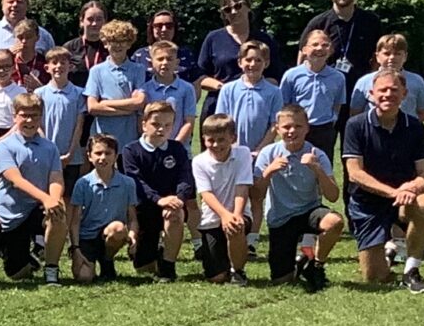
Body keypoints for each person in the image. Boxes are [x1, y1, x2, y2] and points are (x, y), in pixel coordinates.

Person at [339, 68, 424, 293]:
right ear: (371, 94)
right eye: (382, 90)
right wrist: (394, 192)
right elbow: (354, 173)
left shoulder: (415, 126)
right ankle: (389, 251)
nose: (388, 95)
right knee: (374, 277)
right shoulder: (355, 125)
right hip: (368, 202)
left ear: (404, 94)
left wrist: (412, 188)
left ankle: (411, 270)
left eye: (394, 90)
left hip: (404, 200)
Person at [252, 103, 343, 292]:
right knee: (282, 281)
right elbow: (256, 196)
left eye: (298, 126)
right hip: (280, 218)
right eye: (286, 127)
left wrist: (317, 169)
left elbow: (333, 196)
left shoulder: (316, 154)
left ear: (307, 128)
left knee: (334, 222)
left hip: (309, 211)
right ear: (277, 129)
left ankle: (316, 265)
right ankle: (300, 262)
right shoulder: (268, 154)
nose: (292, 131)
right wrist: (269, 171)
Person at [0, 92, 68, 286]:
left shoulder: (50, 148)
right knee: (18, 273)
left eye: (34, 116)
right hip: (13, 212)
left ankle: (51, 269)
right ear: (15, 116)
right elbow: (16, 180)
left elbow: (56, 178)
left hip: (38, 207)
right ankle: (29, 259)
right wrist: (46, 198)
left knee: (58, 214)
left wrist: (54, 199)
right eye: (24, 115)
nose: (29, 120)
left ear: (41, 117)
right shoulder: (4, 146)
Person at [123, 99, 195, 282]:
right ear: (144, 125)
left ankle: (168, 266)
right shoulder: (131, 150)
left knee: (175, 214)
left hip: (170, 205)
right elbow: (136, 182)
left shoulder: (177, 149)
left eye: (167, 125)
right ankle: (150, 251)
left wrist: (178, 198)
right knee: (144, 269)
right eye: (155, 124)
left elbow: (186, 178)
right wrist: (158, 199)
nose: (161, 129)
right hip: (144, 209)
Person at [190, 112, 252, 285]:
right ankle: (223, 263)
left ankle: (237, 271)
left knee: (235, 227)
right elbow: (206, 193)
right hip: (212, 218)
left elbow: (242, 186)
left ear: (233, 138)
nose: (216, 145)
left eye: (221, 140)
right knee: (216, 277)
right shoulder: (199, 161)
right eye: (211, 140)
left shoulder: (243, 154)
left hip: (239, 212)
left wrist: (236, 214)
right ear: (203, 139)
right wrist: (224, 215)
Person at [69, 134, 138, 284]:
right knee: (84, 277)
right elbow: (75, 221)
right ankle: (90, 263)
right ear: (89, 156)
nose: (103, 158)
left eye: (108, 153)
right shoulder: (82, 184)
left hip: (109, 233)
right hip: (87, 237)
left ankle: (107, 261)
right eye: (98, 153)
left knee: (118, 228)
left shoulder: (128, 183)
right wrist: (75, 248)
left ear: (116, 156)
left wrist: (132, 236)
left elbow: (132, 217)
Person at [300, 0, 381, 79]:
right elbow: (303, 56)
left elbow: (380, 55)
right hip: (327, 86)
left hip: (361, 86)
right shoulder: (318, 24)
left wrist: (372, 81)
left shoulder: (371, 21)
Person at [278, 29, 349, 158]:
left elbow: (337, 103)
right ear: (304, 50)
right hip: (297, 127)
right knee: (296, 162)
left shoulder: (338, 77)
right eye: (315, 44)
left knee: (323, 164)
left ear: (331, 50)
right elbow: (284, 103)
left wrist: (332, 119)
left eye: (325, 45)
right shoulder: (292, 75)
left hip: (324, 129)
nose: (320, 48)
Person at [85, 20, 148, 164]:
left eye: (122, 41)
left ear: (129, 44)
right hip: (102, 136)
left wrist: (105, 104)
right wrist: (128, 109)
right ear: (105, 43)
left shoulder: (138, 69)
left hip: (129, 136)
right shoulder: (96, 71)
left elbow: (139, 102)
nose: (117, 45)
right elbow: (92, 107)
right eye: (113, 41)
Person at [194, 0, 267, 102]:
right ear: (224, 15)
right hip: (219, 103)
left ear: (248, 7)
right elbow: (200, 76)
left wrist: (251, 88)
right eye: (227, 10)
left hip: (257, 101)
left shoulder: (264, 39)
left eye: (238, 6)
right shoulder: (213, 38)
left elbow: (275, 76)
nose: (233, 12)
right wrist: (225, 88)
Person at [213, 37, 281, 154]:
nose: (253, 64)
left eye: (258, 60)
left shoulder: (274, 92)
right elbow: (221, 122)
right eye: (248, 60)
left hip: (262, 152)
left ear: (266, 63)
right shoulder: (228, 89)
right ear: (240, 62)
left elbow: (275, 125)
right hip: (232, 151)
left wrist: (260, 150)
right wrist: (233, 147)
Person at [349, 32, 424, 124]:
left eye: (397, 54)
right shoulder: (364, 82)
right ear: (377, 56)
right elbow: (355, 112)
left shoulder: (416, 81)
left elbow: (423, 112)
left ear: (405, 56)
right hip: (374, 130)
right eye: (387, 53)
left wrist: (409, 126)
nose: (392, 57)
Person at [36, 44, 88, 190]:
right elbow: (37, 125)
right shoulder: (39, 94)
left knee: (69, 194)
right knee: (47, 192)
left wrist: (70, 153)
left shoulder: (79, 93)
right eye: (54, 63)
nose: (58, 66)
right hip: (45, 155)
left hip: (71, 157)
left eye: (63, 62)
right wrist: (48, 150)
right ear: (47, 68)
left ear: (70, 66)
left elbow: (79, 125)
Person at [140, 38, 198, 147]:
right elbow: (141, 120)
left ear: (177, 62)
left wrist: (174, 146)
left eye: (169, 59)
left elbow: (189, 122)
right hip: (151, 147)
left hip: (178, 147)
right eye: (160, 59)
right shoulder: (144, 89)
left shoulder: (187, 88)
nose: (165, 63)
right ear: (151, 63)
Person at [145, 9, 195, 83]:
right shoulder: (139, 55)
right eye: (158, 26)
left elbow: (198, 78)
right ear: (152, 28)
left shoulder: (186, 53)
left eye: (169, 26)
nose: (164, 29)